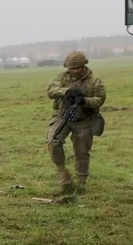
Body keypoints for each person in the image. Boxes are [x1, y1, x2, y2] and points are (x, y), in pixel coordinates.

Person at [45, 51, 106, 193]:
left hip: (84, 118)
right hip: (62, 116)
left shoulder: (95, 81)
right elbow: (50, 90)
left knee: (82, 151)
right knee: (53, 141)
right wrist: (67, 92)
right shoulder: (61, 77)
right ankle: (63, 175)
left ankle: (81, 182)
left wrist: (84, 101)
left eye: (78, 67)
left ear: (84, 65)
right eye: (72, 68)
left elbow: (100, 99)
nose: (75, 71)